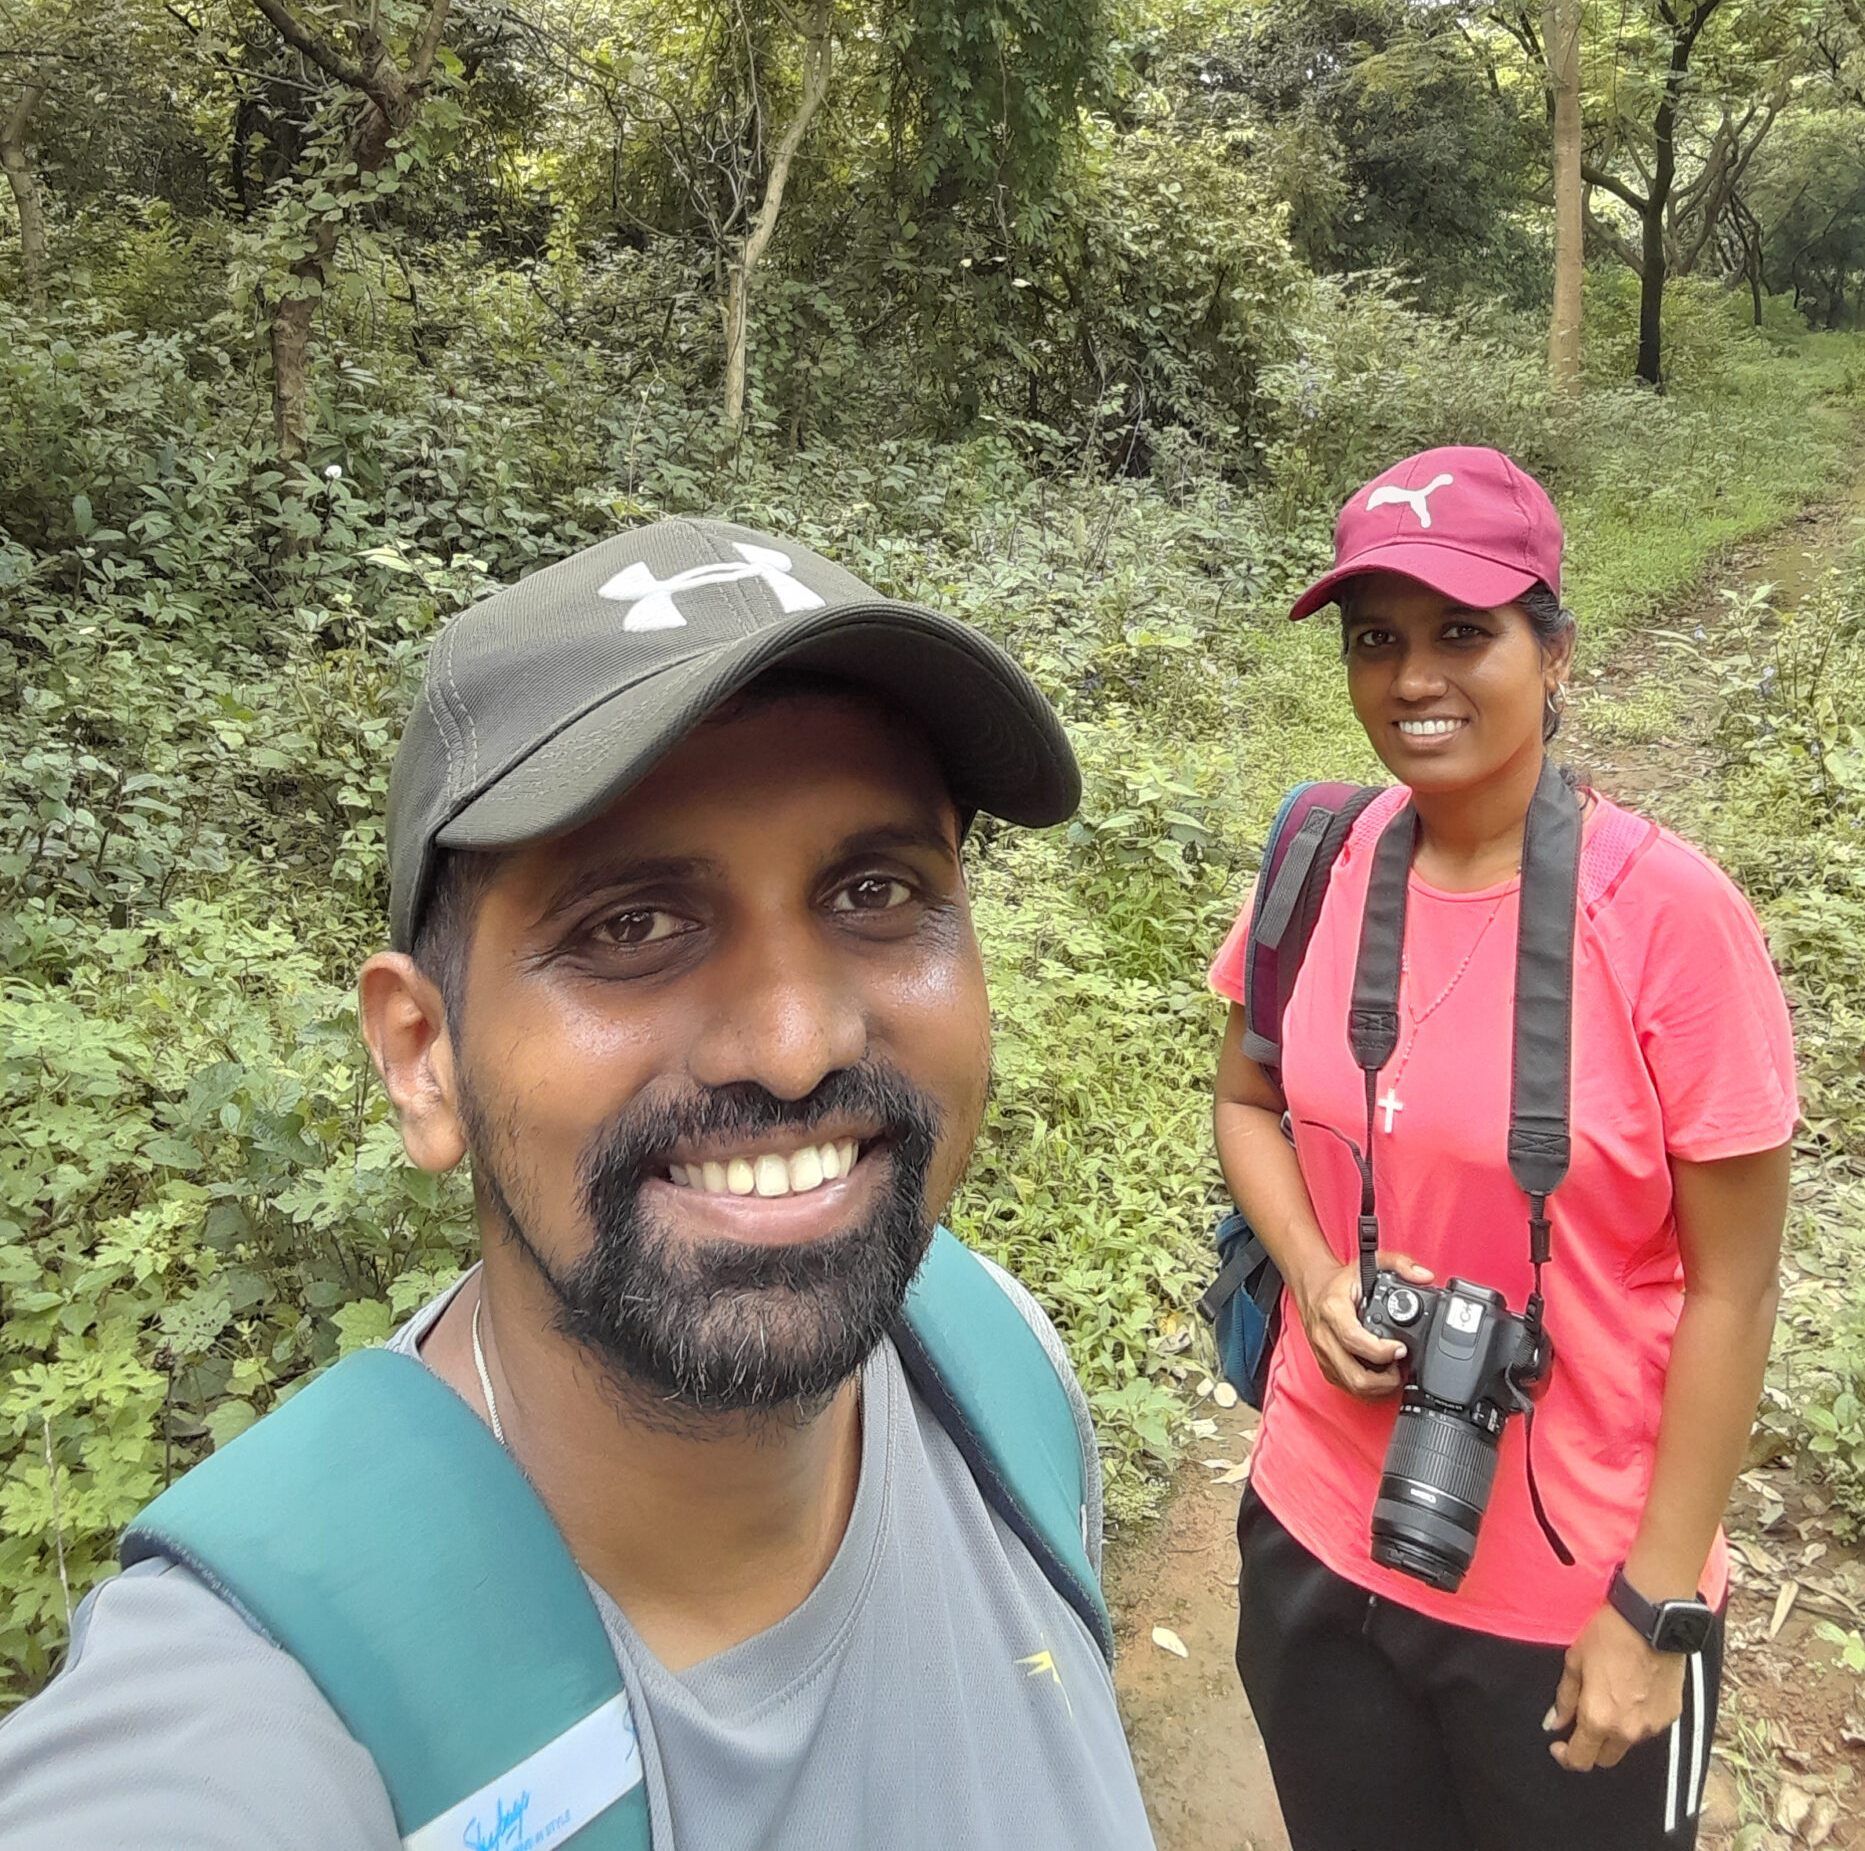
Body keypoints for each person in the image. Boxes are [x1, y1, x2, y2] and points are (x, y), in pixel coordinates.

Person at [0, 515, 1157, 1851]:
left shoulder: (1000, 1372)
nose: (796, 1045)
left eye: (876, 891)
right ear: (422, 1058)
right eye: (632, 926)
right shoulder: (261, 1716)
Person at [1213, 445, 1796, 1851]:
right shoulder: (1317, 860)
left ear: (1555, 652)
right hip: (1318, 1537)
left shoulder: (1669, 921)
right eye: (1377, 640)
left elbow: (1737, 1288)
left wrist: (1653, 1605)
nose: (1414, 679)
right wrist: (1312, 1269)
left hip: (1568, 1586)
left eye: (1463, 633)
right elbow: (1246, 1102)